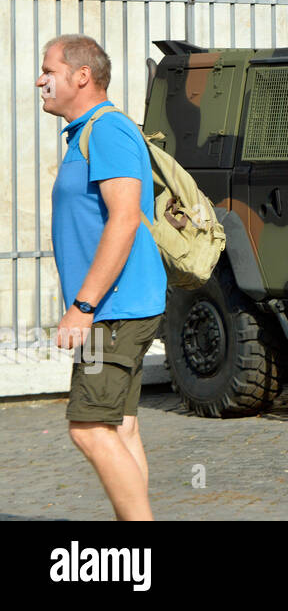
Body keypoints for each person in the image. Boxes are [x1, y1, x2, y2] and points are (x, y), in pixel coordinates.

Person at [39, 34, 167, 520]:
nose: (40, 79)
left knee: (89, 427)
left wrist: (84, 306)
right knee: (122, 426)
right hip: (120, 306)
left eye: (48, 70)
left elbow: (124, 218)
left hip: (113, 309)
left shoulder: (108, 130)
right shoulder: (86, 132)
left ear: (81, 76)